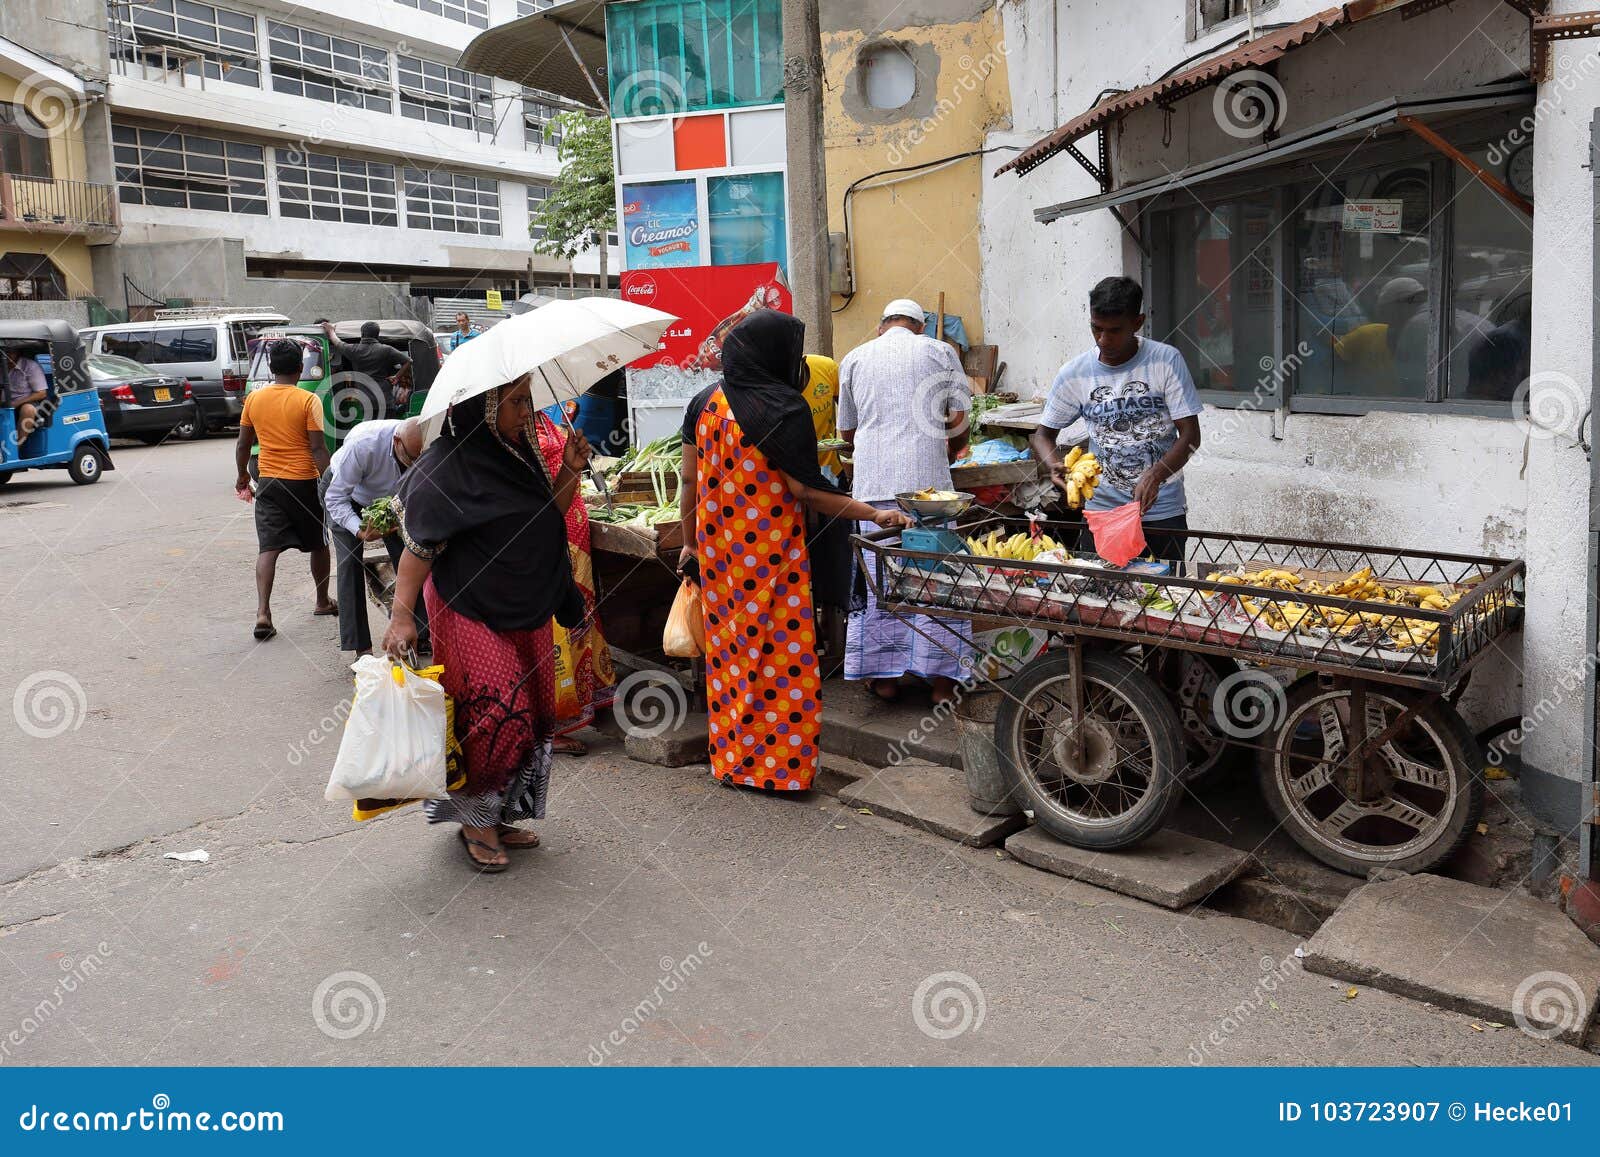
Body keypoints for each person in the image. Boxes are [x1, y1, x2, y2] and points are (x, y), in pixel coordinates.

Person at [677, 310, 914, 792]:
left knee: (733, 657)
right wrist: (874, 514)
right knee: (782, 661)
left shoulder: (703, 402)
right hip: (770, 557)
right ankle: (779, 771)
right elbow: (805, 492)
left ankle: (733, 761)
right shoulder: (782, 406)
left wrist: (688, 542)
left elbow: (688, 478)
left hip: (719, 553)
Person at [383, 377, 592, 873]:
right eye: (517, 402)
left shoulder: (520, 457)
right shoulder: (445, 466)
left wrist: (568, 469)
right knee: (497, 708)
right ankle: (474, 819)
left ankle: (498, 815)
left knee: (535, 713)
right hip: (470, 606)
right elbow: (420, 546)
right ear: (485, 407)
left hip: (527, 602)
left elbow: (547, 515)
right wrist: (401, 617)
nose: (526, 412)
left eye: (527, 401)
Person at [837, 298, 973, 705]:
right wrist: (947, 452)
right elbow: (961, 420)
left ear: (882, 327)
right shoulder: (939, 350)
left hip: (872, 493)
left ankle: (884, 679)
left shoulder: (856, 357)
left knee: (880, 582)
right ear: (919, 327)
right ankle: (942, 683)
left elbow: (846, 432)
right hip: (929, 494)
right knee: (938, 581)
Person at [1030, 276, 1202, 569]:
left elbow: (1191, 437)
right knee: (1101, 602)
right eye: (1096, 329)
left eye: (1114, 331)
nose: (1103, 340)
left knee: (1166, 601)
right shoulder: (1075, 373)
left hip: (1161, 511)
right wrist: (1053, 465)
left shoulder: (1166, 361)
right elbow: (1042, 435)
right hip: (1102, 512)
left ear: (1137, 322)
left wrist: (1156, 475)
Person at [234, 339, 336, 641]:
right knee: (318, 543)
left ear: (270, 367)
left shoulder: (254, 399)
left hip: (268, 482)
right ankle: (321, 601)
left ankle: (263, 613)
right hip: (303, 482)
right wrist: (331, 481)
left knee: (268, 548)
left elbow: (243, 444)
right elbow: (317, 448)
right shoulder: (307, 401)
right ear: (300, 367)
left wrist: (242, 476)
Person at [533, 403, 616, 753]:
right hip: (553, 532)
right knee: (559, 627)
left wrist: (574, 453)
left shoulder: (540, 417)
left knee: (582, 614)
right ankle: (555, 723)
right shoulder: (516, 429)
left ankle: (586, 703)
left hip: (575, 527)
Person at [321, 416, 428, 658]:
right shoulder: (364, 445)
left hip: (387, 500)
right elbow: (335, 498)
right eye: (410, 459)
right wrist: (360, 529)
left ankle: (419, 634)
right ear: (397, 442)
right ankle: (361, 648)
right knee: (350, 563)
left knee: (411, 555)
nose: (414, 465)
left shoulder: (420, 444)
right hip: (345, 496)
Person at [322, 321, 410, 417]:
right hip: (385, 400)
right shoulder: (387, 350)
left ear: (362, 334)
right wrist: (397, 377)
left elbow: (337, 342)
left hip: (366, 402)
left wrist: (331, 331)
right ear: (377, 335)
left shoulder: (353, 350)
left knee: (370, 430)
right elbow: (408, 361)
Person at [804, 353, 843, 480]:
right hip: (795, 476)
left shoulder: (825, 367)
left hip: (832, 472)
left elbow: (850, 412)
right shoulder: (765, 384)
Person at [4, 348, 48, 446]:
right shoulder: (2, 366)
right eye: (4, 352)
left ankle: (17, 448)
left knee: (28, 409)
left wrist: (17, 403)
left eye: (10, 351)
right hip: (5, 403)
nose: (6, 355)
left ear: (18, 352)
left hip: (26, 402)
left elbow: (41, 393)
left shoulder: (30, 366)